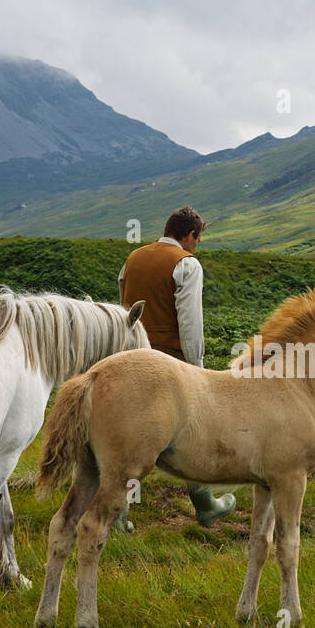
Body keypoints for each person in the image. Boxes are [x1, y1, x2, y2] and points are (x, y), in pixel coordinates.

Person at [117, 205, 236, 527]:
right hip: (170, 358)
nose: (197, 245)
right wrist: (196, 366)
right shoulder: (186, 264)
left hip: (129, 353)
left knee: (129, 433)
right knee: (191, 431)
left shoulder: (134, 259)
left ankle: (118, 511)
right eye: (198, 239)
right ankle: (205, 505)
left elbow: (124, 309)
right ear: (191, 235)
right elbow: (190, 321)